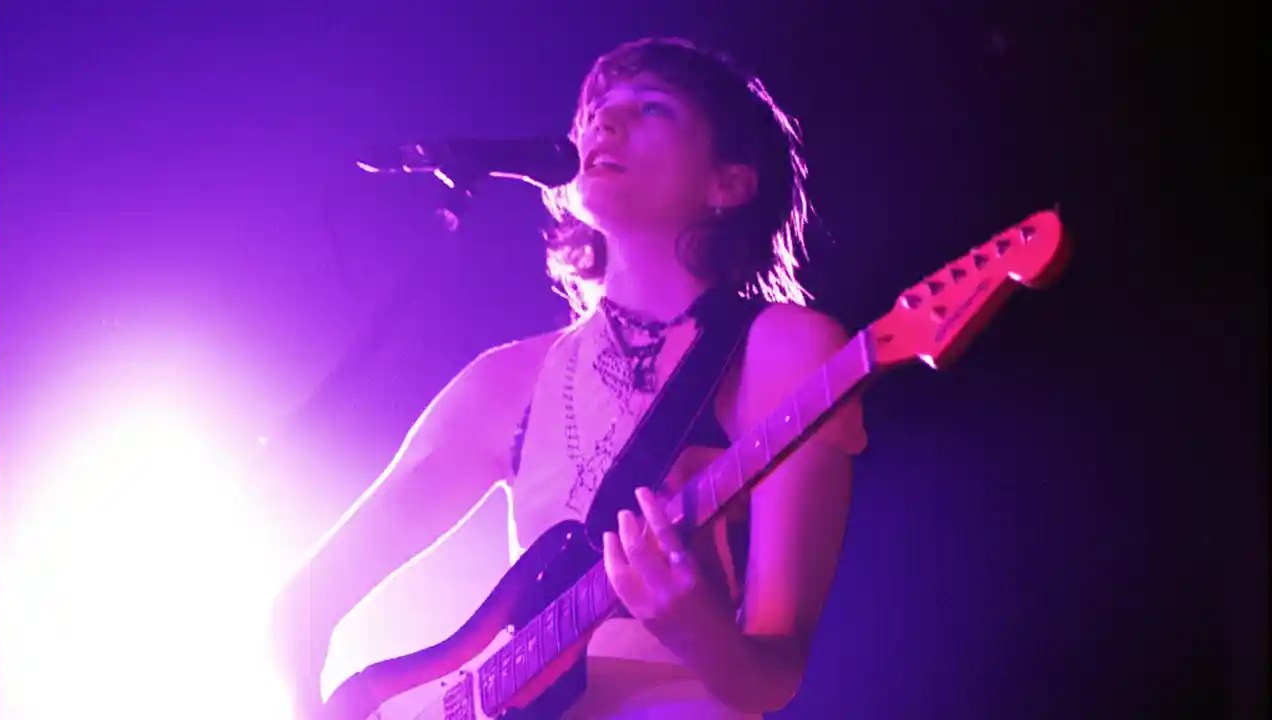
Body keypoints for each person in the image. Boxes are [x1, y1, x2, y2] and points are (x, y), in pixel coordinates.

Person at [272, 36, 867, 720]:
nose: (605, 124)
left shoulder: (784, 348)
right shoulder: (505, 383)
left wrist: (697, 630)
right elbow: (298, 609)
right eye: (594, 113)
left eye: (651, 109)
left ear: (727, 182)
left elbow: (773, 676)